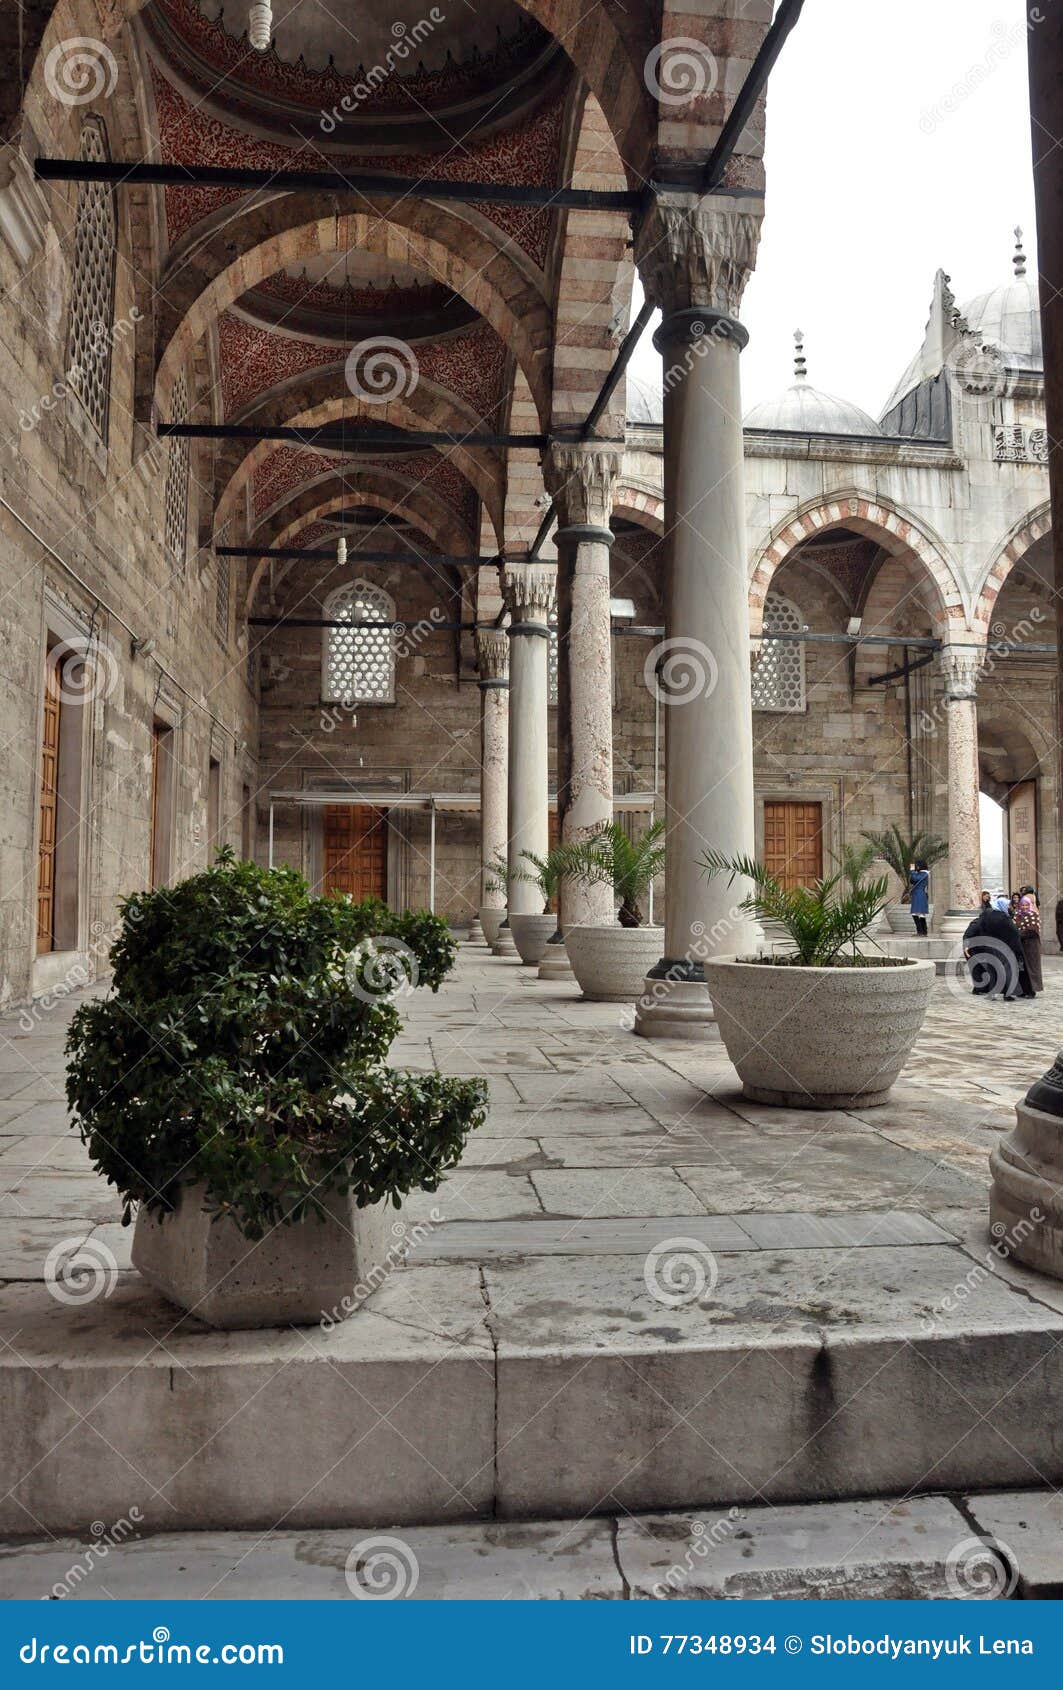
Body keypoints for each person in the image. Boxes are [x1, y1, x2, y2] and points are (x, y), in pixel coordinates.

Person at [963, 904, 1029, 999]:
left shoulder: (986, 921)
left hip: (988, 949)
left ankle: (991, 993)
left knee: (992, 971)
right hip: (982, 950)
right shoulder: (1001, 920)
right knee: (1001, 970)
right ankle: (1003, 993)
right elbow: (969, 934)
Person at [1016, 893, 1044, 995]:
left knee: (1031, 968)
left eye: (1026, 905)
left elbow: (1032, 931)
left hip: (1031, 947)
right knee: (1021, 969)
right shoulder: (1017, 915)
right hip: (1021, 946)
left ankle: (1032, 990)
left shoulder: (1034, 915)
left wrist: (1017, 934)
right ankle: (1023, 990)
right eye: (1022, 905)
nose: (1024, 907)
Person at [909, 859, 930, 937]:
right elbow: (912, 880)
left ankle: (921, 931)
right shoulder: (920, 873)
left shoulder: (924, 873)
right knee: (919, 913)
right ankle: (923, 931)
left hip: (920, 894)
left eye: (917, 865)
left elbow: (915, 879)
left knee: (917, 913)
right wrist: (913, 872)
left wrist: (912, 871)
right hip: (917, 894)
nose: (916, 867)